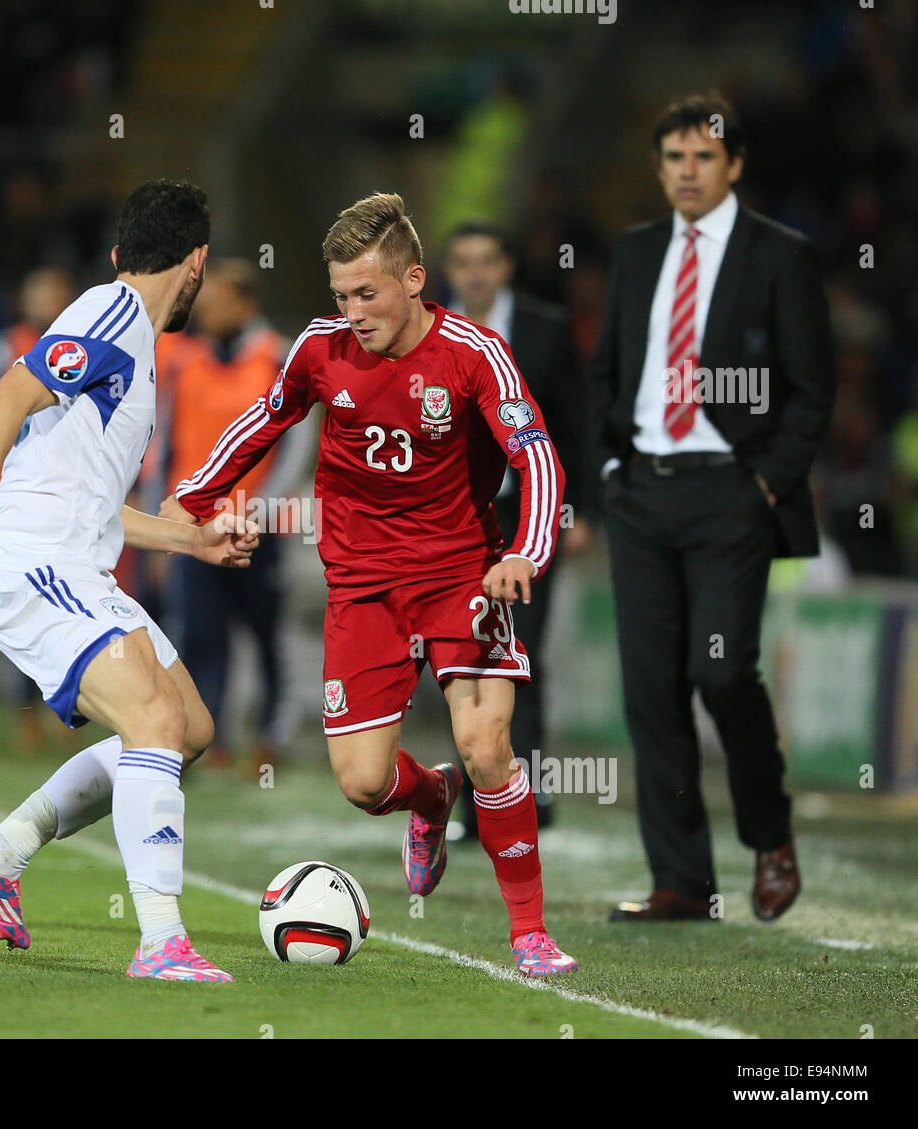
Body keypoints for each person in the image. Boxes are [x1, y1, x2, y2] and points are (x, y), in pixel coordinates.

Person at [163, 193, 578, 977]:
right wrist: (192, 498)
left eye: (368, 293)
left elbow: (538, 456)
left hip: (465, 576)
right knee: (359, 782)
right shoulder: (319, 350)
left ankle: (530, 932)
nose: (353, 312)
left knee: (488, 743)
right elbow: (262, 421)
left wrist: (525, 549)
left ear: (414, 279)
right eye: (341, 296)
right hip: (362, 586)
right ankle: (429, 797)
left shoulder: (474, 353)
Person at [0, 180, 260, 982]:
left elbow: (95, 500)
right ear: (197, 264)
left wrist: (190, 539)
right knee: (149, 716)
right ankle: (161, 943)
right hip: (37, 563)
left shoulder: (135, 341)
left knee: (187, 725)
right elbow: (6, 396)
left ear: (120, 251)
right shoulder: (112, 315)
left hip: (74, 559)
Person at [587, 93, 834, 923]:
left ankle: (770, 833)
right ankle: (682, 882)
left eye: (703, 157)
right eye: (674, 159)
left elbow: (811, 389)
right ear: (659, 170)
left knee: (722, 671)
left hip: (731, 489)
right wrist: (612, 464)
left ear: (733, 165)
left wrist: (765, 482)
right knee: (650, 693)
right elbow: (609, 370)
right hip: (642, 492)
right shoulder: (637, 250)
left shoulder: (780, 256)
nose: (687, 172)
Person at [441, 220, 588, 835]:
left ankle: (530, 790)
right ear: (449, 271)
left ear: (505, 267)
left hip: (525, 514)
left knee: (521, 649)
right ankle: (475, 795)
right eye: (464, 261)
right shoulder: (424, 329)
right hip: (448, 520)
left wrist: (574, 509)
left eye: (487, 260)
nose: (476, 272)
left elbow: (574, 424)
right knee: (458, 655)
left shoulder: (546, 330)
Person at [148, 258, 314, 769]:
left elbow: (296, 443)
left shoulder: (278, 356)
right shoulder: (184, 360)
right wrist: (163, 524)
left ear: (246, 303)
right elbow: (164, 440)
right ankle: (208, 739)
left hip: (257, 530)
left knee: (265, 632)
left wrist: (259, 512)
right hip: (196, 528)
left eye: (216, 300)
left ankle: (270, 739)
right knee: (198, 632)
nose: (205, 310)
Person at [0, 266, 75, 753]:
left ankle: (71, 706)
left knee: (67, 603)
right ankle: (26, 712)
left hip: (68, 496)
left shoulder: (82, 345)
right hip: (11, 497)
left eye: (56, 291)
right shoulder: (4, 347)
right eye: (40, 290)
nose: (47, 300)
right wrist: (14, 438)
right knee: (22, 603)